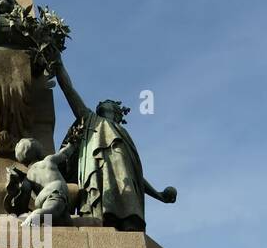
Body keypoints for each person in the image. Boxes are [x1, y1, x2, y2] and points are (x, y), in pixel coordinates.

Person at [52, 59, 176, 232]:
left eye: (108, 102)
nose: (102, 103)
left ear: (116, 112)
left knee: (130, 230)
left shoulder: (123, 134)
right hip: (99, 189)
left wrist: (159, 195)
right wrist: (58, 64)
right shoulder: (90, 120)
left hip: (127, 197)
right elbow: (68, 89)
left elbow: (135, 177)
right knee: (99, 226)